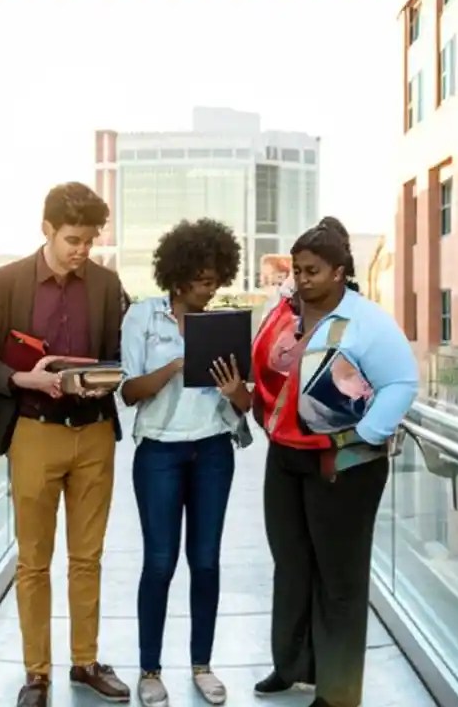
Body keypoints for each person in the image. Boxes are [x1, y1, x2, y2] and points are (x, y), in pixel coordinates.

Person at [211, 217, 419, 707]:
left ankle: (339, 693)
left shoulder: (366, 321)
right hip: (286, 459)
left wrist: (353, 442)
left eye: (313, 271)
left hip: (343, 467)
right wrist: (243, 397)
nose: (303, 279)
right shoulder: (285, 314)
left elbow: (402, 384)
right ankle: (293, 666)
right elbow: (278, 385)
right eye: (298, 270)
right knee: (292, 565)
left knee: (340, 581)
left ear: (341, 272)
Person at [0, 182, 131, 707]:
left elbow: (117, 356)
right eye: (73, 239)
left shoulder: (106, 285)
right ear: (47, 230)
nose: (82, 249)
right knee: (33, 562)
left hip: (94, 434)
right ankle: (36, 674)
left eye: (89, 240)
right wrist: (24, 380)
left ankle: (85, 663)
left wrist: (102, 377)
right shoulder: (6, 282)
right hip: (34, 433)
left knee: (88, 558)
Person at [118, 219, 250, 707]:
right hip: (159, 452)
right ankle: (150, 669)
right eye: (201, 277)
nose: (211, 285)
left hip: (213, 449)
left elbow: (244, 406)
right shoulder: (143, 318)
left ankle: (202, 665)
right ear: (176, 278)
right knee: (158, 562)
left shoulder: (223, 326)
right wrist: (179, 363)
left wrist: (237, 392)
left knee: (207, 562)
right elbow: (130, 392)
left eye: (216, 276)